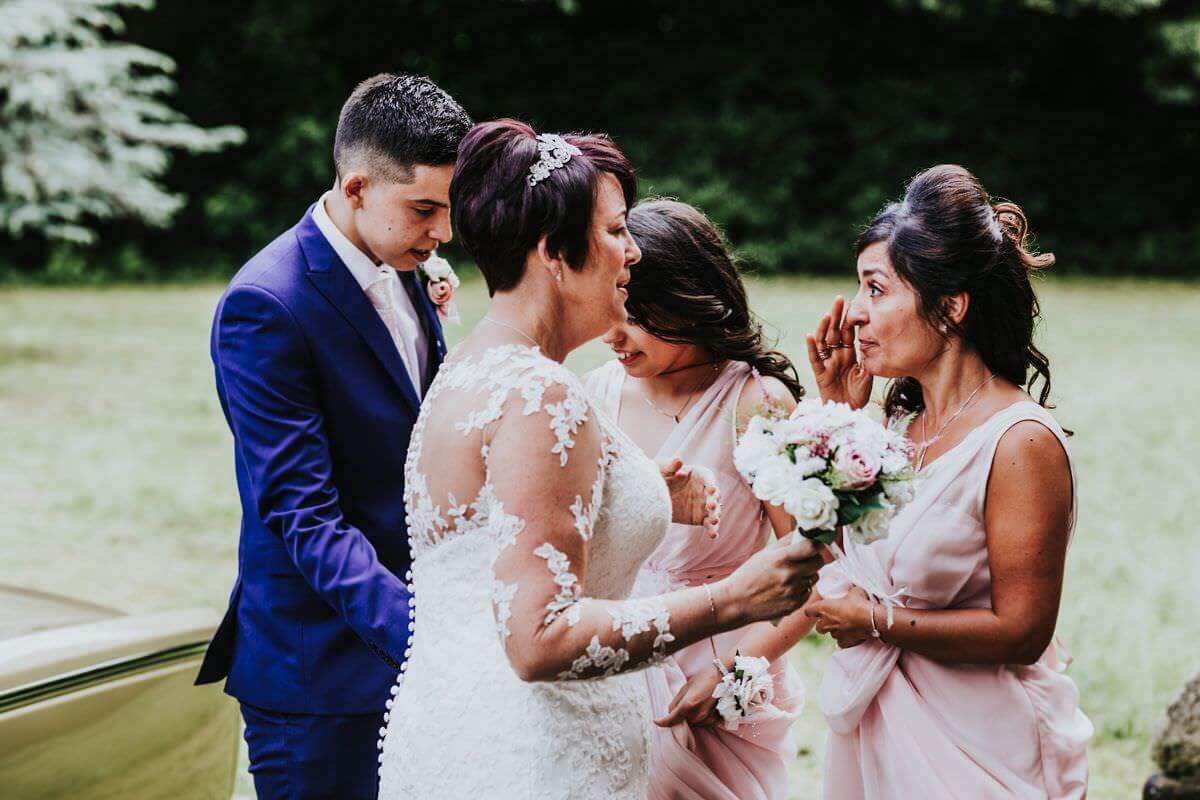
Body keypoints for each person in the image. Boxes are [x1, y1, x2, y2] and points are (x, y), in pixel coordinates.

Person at [376, 121, 824, 800]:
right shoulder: (541, 393)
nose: (632, 252)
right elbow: (541, 638)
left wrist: (648, 494)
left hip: (467, 738)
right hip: (538, 760)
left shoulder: (471, 369)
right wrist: (731, 599)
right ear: (556, 252)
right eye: (616, 231)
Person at [195, 74, 472, 799]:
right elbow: (304, 517)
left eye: (448, 209)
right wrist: (428, 636)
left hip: (412, 658)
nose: (442, 233)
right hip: (318, 675)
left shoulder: (402, 261)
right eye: (424, 210)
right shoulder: (265, 306)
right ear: (355, 189)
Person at [803, 164, 1092, 799]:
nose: (854, 315)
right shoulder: (898, 422)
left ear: (950, 308)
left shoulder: (1019, 443)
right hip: (878, 737)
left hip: (983, 753)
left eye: (876, 290)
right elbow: (829, 566)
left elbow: (1023, 632)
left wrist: (879, 622)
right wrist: (838, 419)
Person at [584, 199, 815, 800]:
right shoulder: (596, 395)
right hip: (614, 653)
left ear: (688, 299)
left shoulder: (757, 405)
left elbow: (810, 573)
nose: (613, 333)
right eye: (610, 304)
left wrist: (737, 671)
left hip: (721, 666)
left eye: (636, 314)